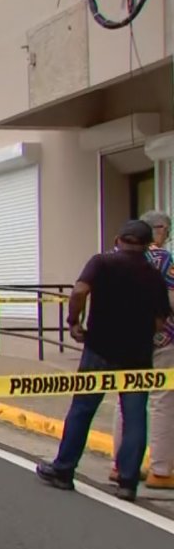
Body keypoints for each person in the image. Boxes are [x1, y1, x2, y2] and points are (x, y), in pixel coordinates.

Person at [36, 220, 172, 501]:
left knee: (83, 409)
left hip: (99, 348)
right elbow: (161, 321)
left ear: (118, 238)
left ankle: (63, 469)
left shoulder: (101, 263)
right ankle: (127, 482)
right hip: (137, 354)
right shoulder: (153, 275)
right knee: (135, 415)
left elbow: (79, 291)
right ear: (148, 245)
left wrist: (75, 322)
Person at [110, 210, 174, 489]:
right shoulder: (164, 259)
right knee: (162, 400)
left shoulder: (112, 257)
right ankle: (161, 470)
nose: (168, 237)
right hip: (162, 339)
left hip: (124, 339)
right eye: (167, 231)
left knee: (126, 399)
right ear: (158, 230)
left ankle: (120, 464)